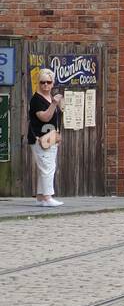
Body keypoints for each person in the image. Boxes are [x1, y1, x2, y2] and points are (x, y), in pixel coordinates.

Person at [27, 68, 64, 207]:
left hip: (50, 137)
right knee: (47, 167)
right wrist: (54, 104)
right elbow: (44, 117)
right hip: (39, 138)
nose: (46, 85)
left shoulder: (49, 97)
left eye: (48, 82)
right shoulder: (36, 99)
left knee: (48, 165)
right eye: (42, 82)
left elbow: (55, 119)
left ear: (53, 83)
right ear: (38, 83)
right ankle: (48, 197)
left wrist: (57, 135)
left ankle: (42, 196)